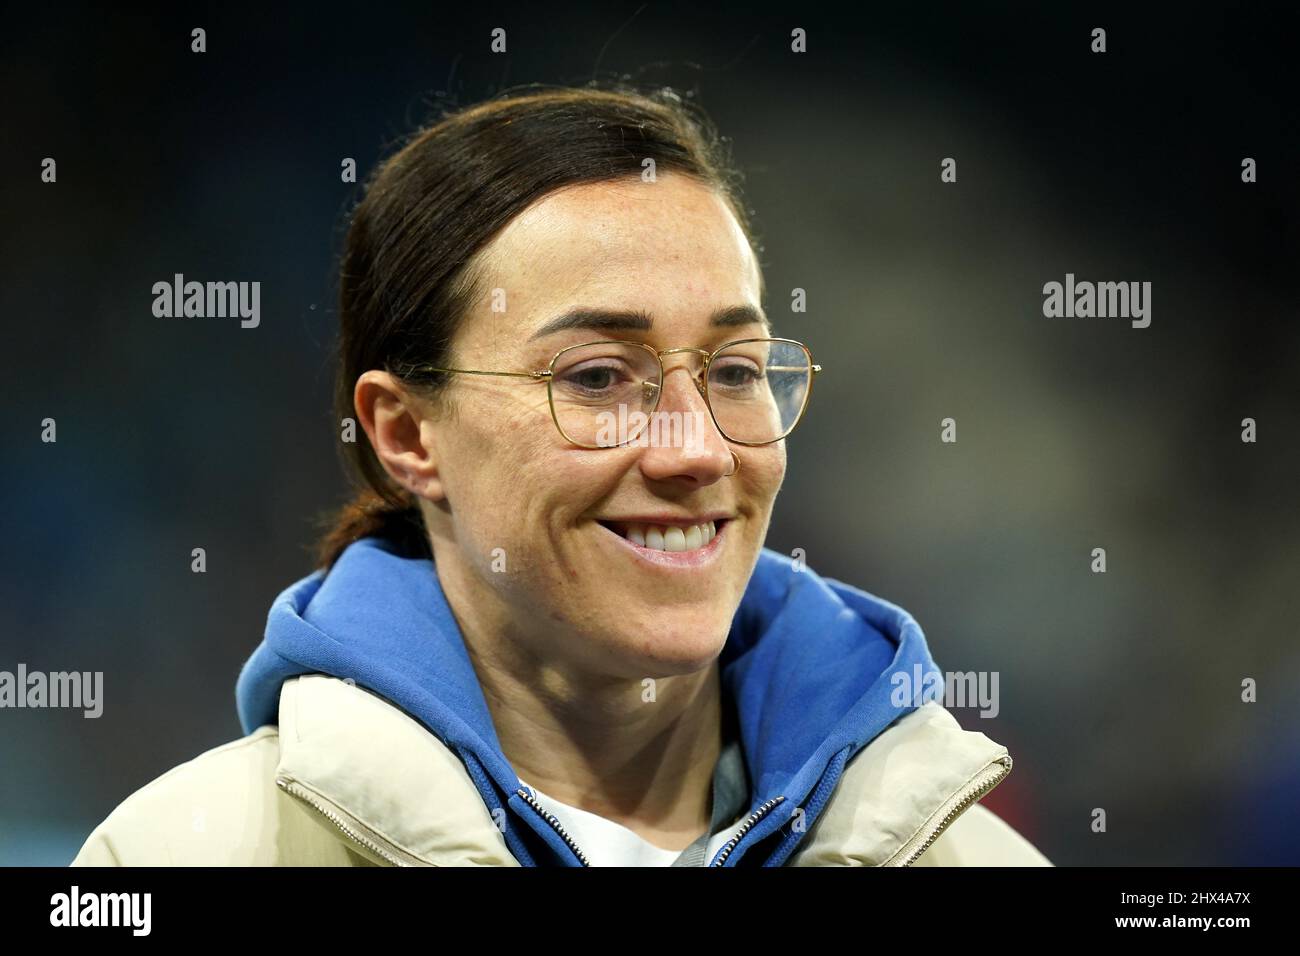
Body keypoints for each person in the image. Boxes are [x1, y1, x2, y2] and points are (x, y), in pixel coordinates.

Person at [72, 84, 1051, 867]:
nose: (696, 450)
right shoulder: (175, 857)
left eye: (737, 370)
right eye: (595, 376)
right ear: (407, 432)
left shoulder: (965, 855)